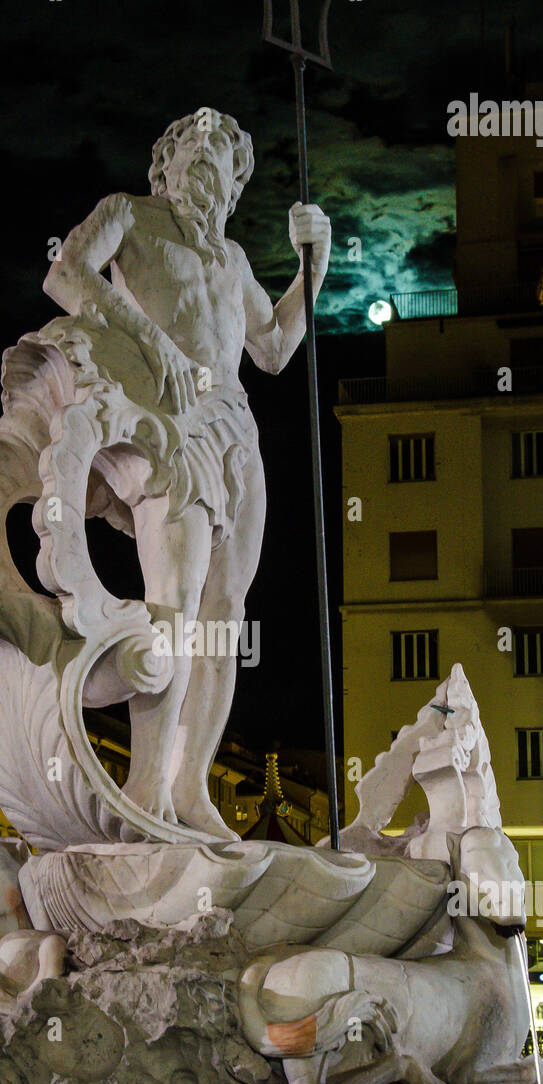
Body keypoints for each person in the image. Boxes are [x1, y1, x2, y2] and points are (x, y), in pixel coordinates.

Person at [39, 108, 331, 835]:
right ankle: (145, 791)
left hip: (235, 430)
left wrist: (312, 270)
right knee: (174, 601)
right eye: (191, 151)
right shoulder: (129, 217)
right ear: (164, 164)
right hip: (169, 425)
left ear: (233, 184)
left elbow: (273, 349)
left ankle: (190, 788)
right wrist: (146, 337)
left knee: (223, 614)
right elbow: (64, 274)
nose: (203, 164)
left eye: (221, 159)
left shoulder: (230, 260)